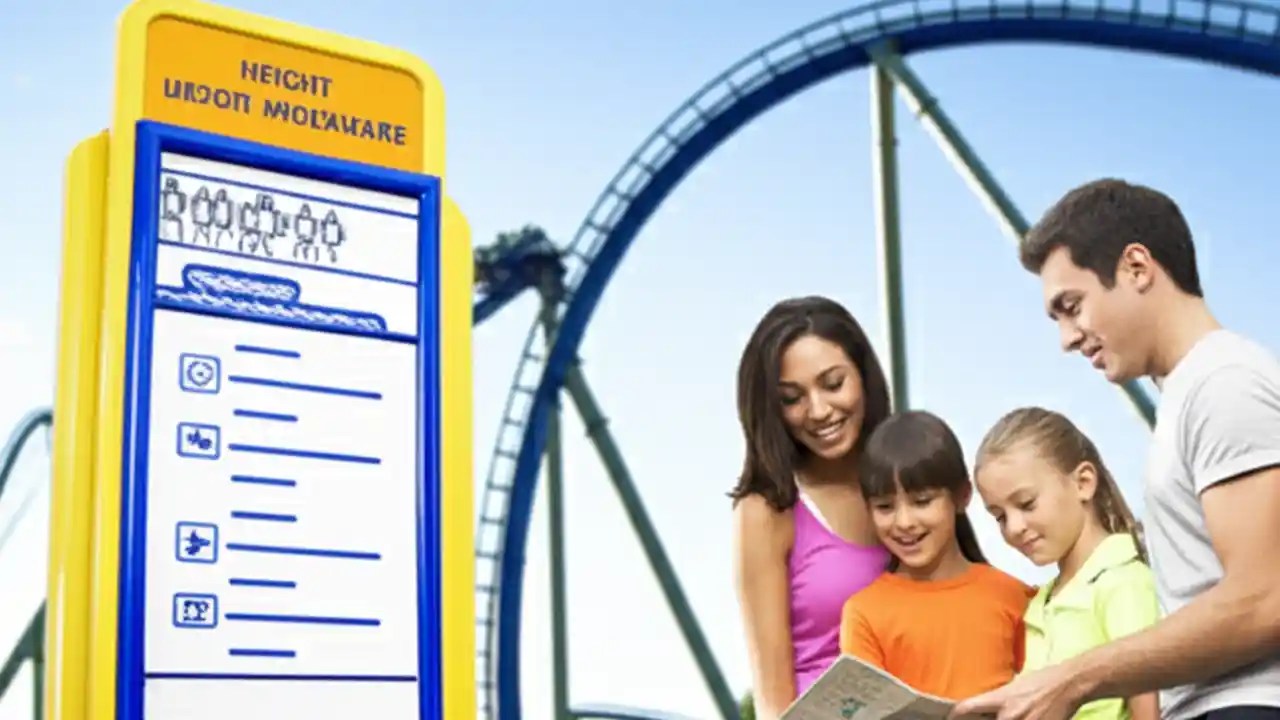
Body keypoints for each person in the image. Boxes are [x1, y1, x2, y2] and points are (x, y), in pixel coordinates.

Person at [952, 178, 1280, 720]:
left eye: (1072, 306)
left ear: (1136, 268)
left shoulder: (1225, 385)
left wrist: (1075, 679)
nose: (1067, 337)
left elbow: (1266, 598)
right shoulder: (1191, 395)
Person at [731, 296, 894, 719]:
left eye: (833, 384)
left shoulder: (908, 480)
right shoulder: (767, 511)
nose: (819, 411)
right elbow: (772, 698)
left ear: (863, 377)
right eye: (791, 398)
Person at [974, 406, 1161, 720]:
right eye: (1000, 516)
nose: (1014, 527)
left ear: (1083, 483)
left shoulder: (1123, 580)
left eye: (1026, 504)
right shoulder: (1042, 600)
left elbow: (1149, 709)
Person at [839, 409, 1035, 700]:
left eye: (922, 501)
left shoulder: (1015, 597)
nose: (904, 522)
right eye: (885, 507)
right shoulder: (864, 612)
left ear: (962, 496)